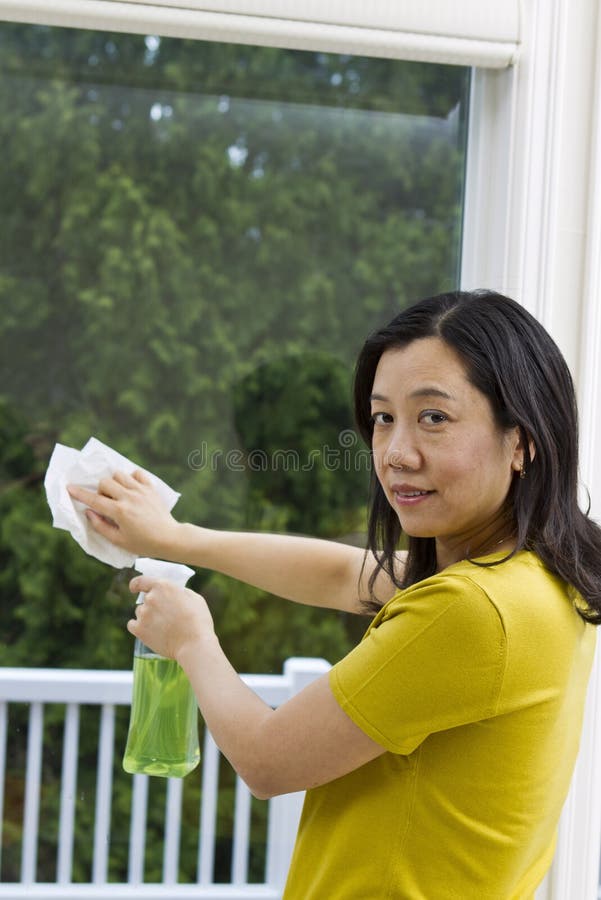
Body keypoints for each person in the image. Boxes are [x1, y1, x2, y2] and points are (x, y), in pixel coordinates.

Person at [67, 290, 601, 899]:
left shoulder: (473, 611)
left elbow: (269, 762)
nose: (397, 453)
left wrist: (192, 640)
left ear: (522, 440)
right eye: (383, 418)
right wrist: (179, 538)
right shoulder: (536, 580)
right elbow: (341, 574)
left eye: (434, 417)